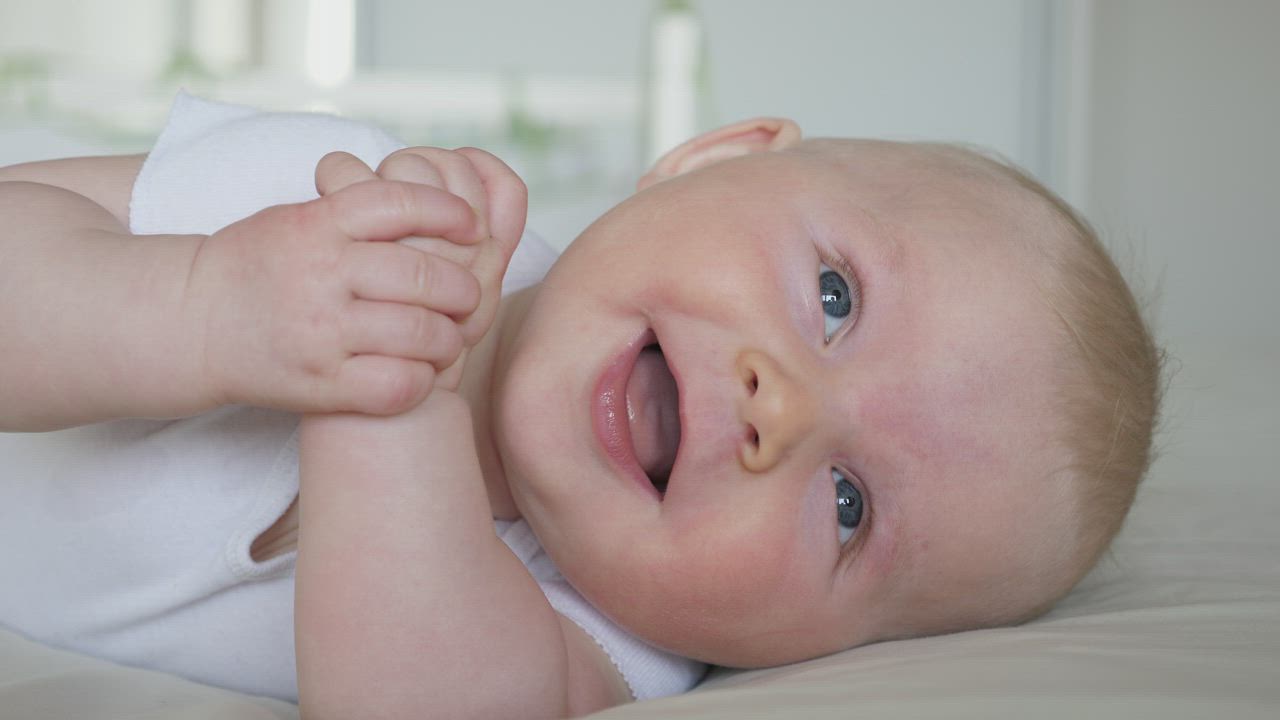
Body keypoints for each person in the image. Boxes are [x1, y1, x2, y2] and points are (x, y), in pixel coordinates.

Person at [0, 93, 1162, 718]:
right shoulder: (339, 196)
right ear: (712, 159)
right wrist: (207, 305)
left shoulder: (609, 650)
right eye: (831, 295)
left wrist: (397, 398)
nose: (785, 411)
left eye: (851, 505)